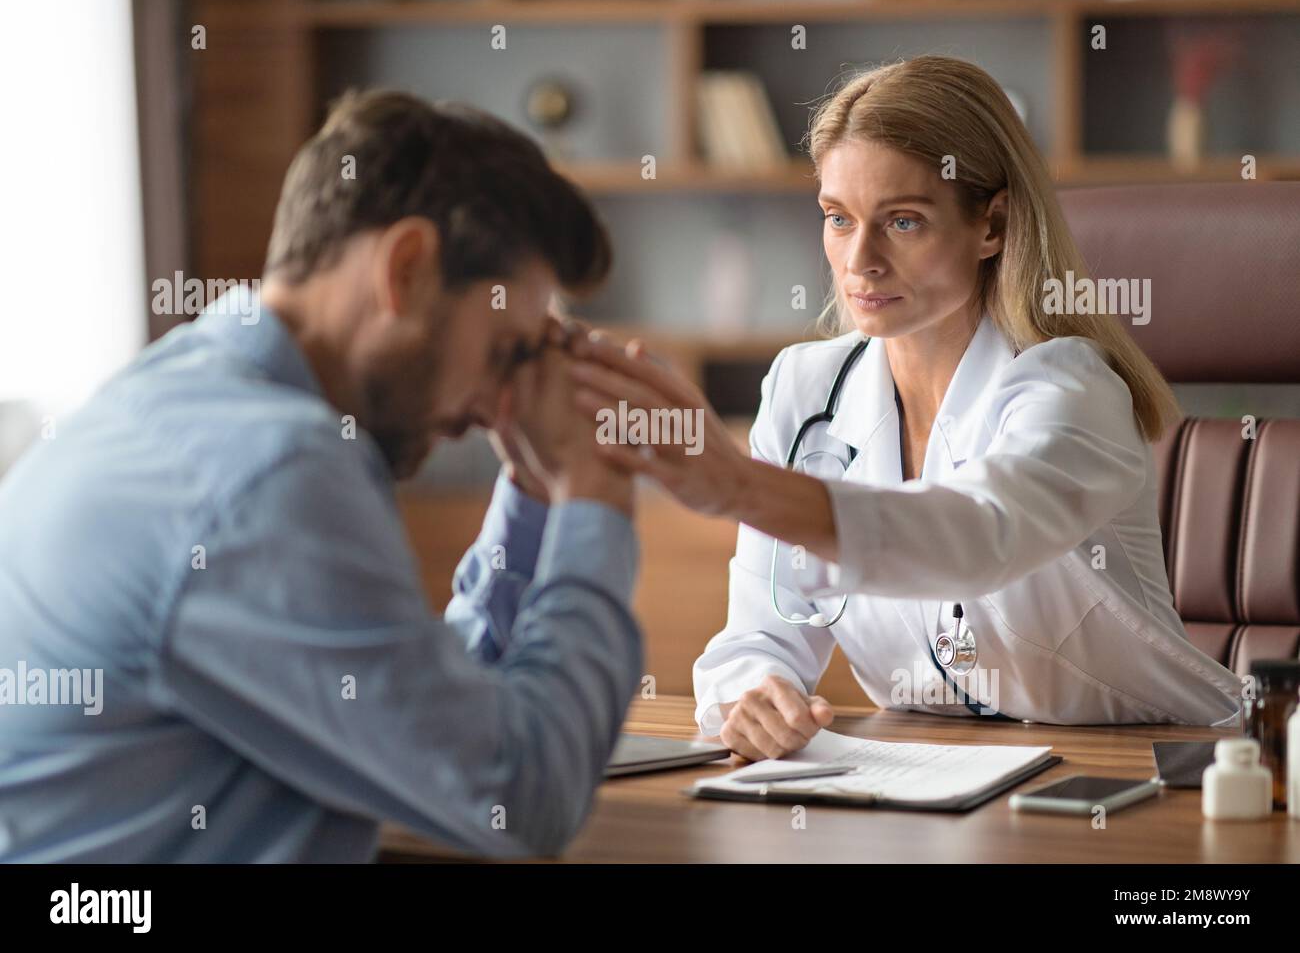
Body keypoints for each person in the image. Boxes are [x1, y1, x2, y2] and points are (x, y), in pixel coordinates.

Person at [0, 90, 642, 861]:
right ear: (405, 268)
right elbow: (522, 798)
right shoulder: (272, 471)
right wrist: (593, 503)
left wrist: (536, 495)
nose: (504, 404)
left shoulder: (173, 397)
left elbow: (411, 720)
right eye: (506, 352)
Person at [569, 56, 1242, 762]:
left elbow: (980, 535)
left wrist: (740, 484)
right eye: (838, 218)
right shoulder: (804, 389)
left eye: (903, 222)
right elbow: (762, 630)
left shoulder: (1070, 392)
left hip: (1157, 767)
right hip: (930, 771)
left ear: (992, 225)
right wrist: (754, 694)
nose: (860, 259)